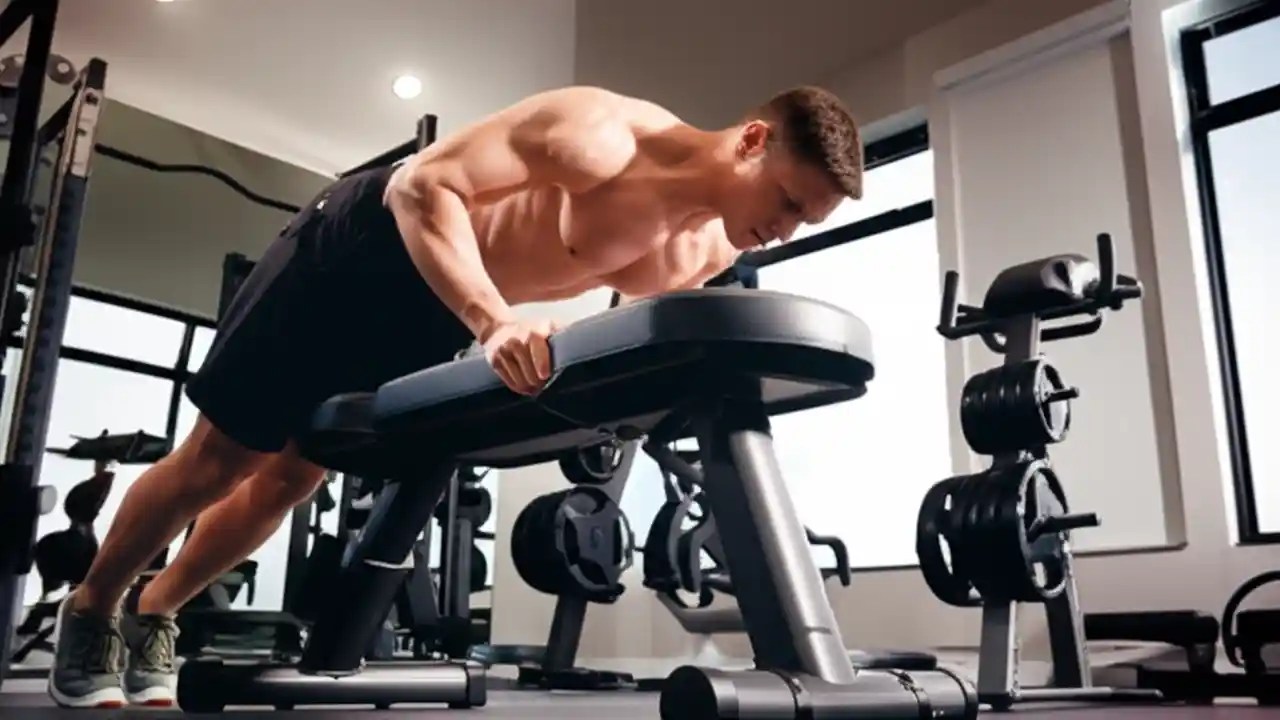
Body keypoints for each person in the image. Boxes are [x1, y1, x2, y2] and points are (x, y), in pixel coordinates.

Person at [48, 84, 863, 708]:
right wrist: (494, 319)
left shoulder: (707, 247)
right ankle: (92, 607)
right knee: (223, 457)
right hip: (364, 246)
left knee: (297, 474)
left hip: (435, 307)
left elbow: (626, 330)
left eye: (805, 221)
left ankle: (156, 610)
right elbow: (421, 188)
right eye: (788, 202)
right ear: (753, 140)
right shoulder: (599, 133)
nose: (786, 229)